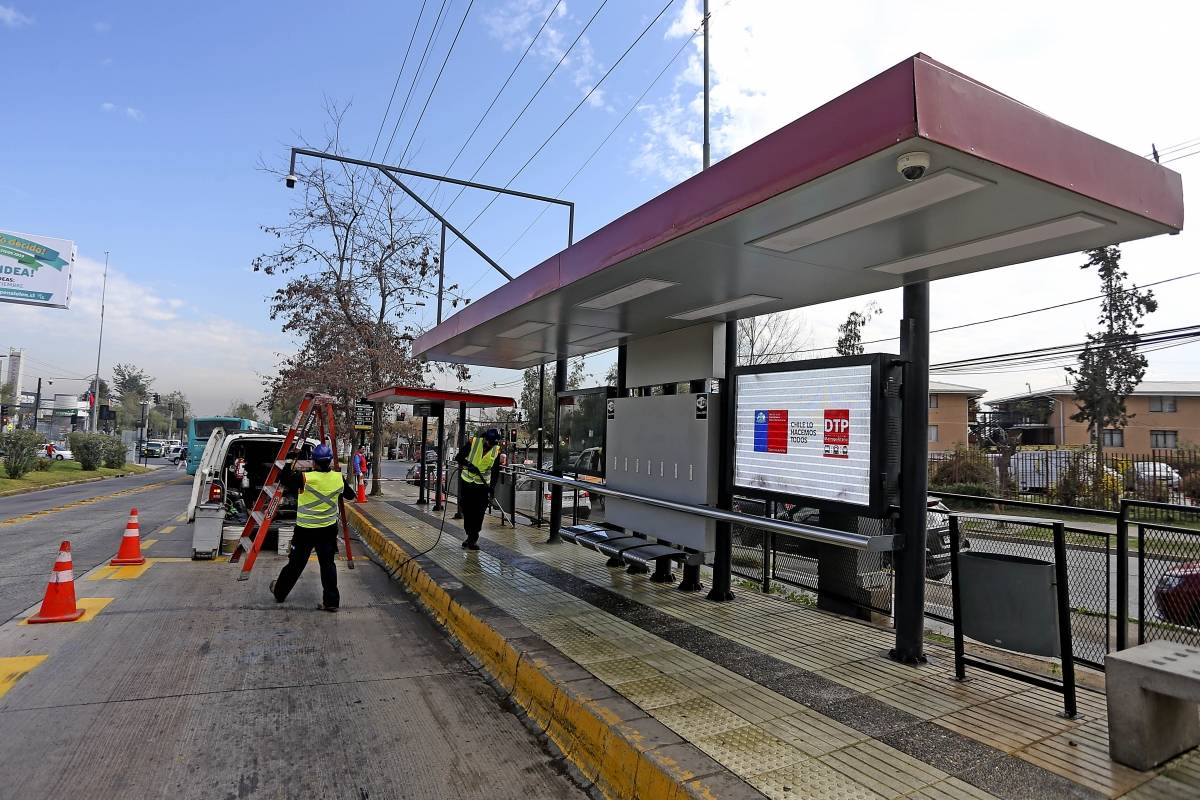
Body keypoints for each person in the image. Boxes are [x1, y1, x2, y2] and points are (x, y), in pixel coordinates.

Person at [270, 442, 355, 612]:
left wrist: (291, 459)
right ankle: (331, 602)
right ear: (329, 462)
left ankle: (280, 592)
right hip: (328, 530)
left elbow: (283, 477)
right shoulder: (338, 478)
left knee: (295, 564)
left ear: (314, 462)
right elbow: (350, 495)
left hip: (305, 530)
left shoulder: (305, 478)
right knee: (328, 564)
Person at [454, 428, 501, 551]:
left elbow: (495, 471)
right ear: (485, 438)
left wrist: (492, 487)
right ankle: (470, 535)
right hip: (468, 483)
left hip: (482, 486)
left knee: (479, 513)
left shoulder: (496, 450)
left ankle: (473, 538)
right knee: (467, 511)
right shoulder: (473, 443)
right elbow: (458, 457)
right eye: (489, 442)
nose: (491, 445)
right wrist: (469, 465)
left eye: (493, 443)